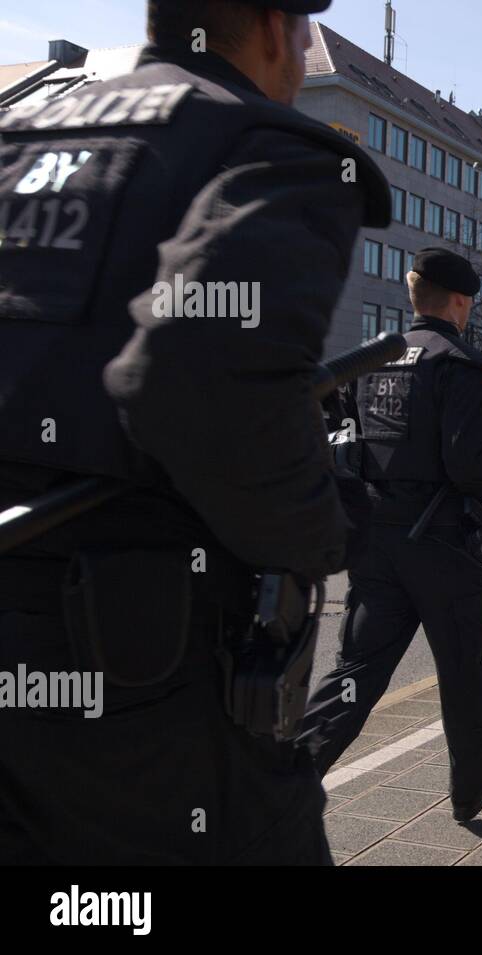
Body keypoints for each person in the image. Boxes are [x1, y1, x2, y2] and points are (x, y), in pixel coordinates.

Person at [0, 0, 389, 864]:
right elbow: (195, 375)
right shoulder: (266, 147)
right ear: (269, 26)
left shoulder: (21, 132)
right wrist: (325, 530)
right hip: (136, 673)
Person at [299, 248, 482, 822]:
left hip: (377, 536)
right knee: (463, 669)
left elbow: (343, 440)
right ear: (459, 301)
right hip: (443, 541)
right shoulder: (461, 363)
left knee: (357, 669)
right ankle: (472, 784)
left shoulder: (373, 359)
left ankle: (288, 777)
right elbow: (469, 461)